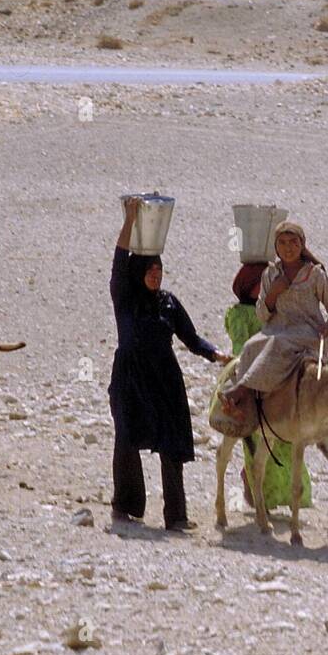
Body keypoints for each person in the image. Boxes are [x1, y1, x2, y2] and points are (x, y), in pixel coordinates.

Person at [108, 197, 230, 531]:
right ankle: (126, 507)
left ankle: (176, 516)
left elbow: (191, 339)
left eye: (159, 270)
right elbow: (119, 262)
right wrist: (131, 219)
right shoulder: (125, 295)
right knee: (127, 439)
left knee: (173, 443)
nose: (154, 275)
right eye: (149, 270)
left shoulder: (168, 302)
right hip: (131, 377)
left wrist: (216, 354)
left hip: (164, 378)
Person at [220, 222, 328, 419]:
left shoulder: (314, 274)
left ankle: (240, 391)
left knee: (278, 342)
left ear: (302, 244)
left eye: (293, 242)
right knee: (251, 345)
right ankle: (247, 409)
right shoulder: (270, 274)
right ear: (275, 247)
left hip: (309, 334)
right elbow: (262, 315)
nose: (288, 248)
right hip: (275, 330)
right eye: (282, 243)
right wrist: (274, 293)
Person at [219, 261, 312, 511]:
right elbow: (241, 346)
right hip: (251, 375)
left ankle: (289, 496)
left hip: (277, 375)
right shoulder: (239, 314)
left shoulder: (279, 311)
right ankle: (259, 493)